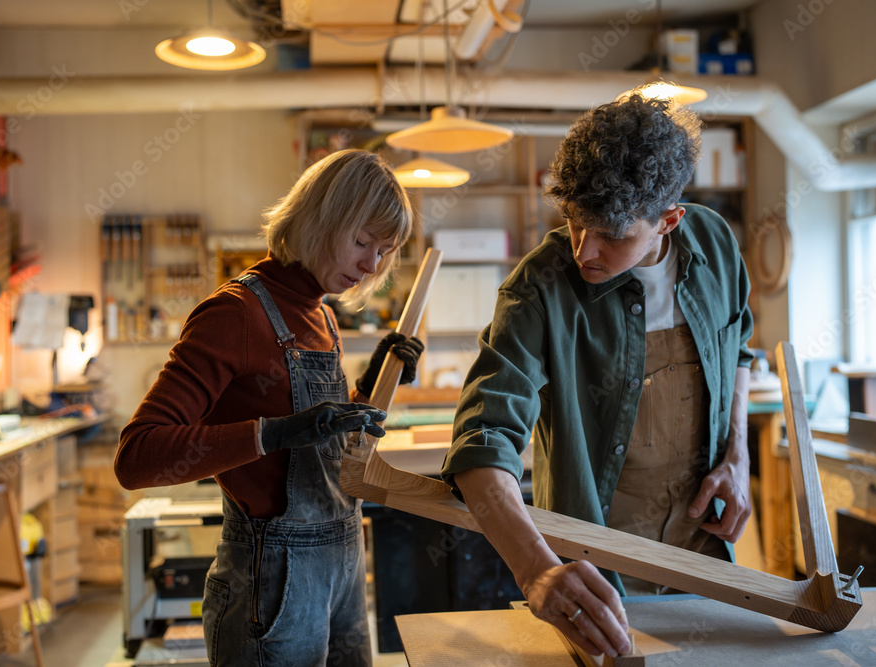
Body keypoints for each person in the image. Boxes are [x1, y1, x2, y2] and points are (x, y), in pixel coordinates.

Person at [441, 91, 754, 659]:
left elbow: (739, 349)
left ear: (669, 221)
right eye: (575, 224)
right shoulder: (539, 288)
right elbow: (482, 443)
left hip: (701, 558)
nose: (586, 251)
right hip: (595, 573)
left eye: (612, 234)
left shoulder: (715, 244)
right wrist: (537, 572)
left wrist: (738, 456)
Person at [115, 149, 424, 666]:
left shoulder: (319, 314)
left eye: (384, 251)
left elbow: (324, 446)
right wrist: (272, 434)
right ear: (323, 219)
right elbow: (136, 457)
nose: (372, 264)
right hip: (274, 577)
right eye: (363, 241)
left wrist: (371, 387)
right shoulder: (233, 314)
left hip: (342, 559)